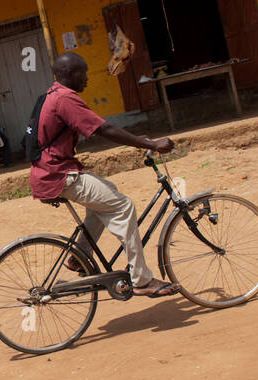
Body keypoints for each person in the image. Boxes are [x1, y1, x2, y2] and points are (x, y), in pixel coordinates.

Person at [31, 52, 180, 298]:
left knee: (105, 196)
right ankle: (141, 279)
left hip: (50, 173)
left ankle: (78, 257)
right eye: (84, 73)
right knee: (123, 206)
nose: (88, 78)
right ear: (69, 74)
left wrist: (141, 142)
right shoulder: (65, 99)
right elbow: (104, 129)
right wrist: (150, 145)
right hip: (59, 174)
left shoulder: (51, 95)